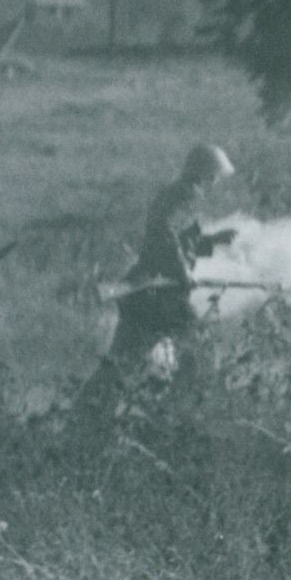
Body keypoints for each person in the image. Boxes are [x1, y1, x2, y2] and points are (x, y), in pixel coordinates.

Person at [86, 143, 237, 405]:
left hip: (145, 294)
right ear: (204, 173)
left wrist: (212, 241)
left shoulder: (179, 192)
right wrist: (183, 273)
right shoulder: (187, 194)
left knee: (120, 365)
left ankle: (84, 411)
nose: (215, 181)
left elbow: (173, 240)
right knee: (200, 354)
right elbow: (163, 234)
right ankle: (181, 408)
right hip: (161, 296)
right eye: (214, 175)